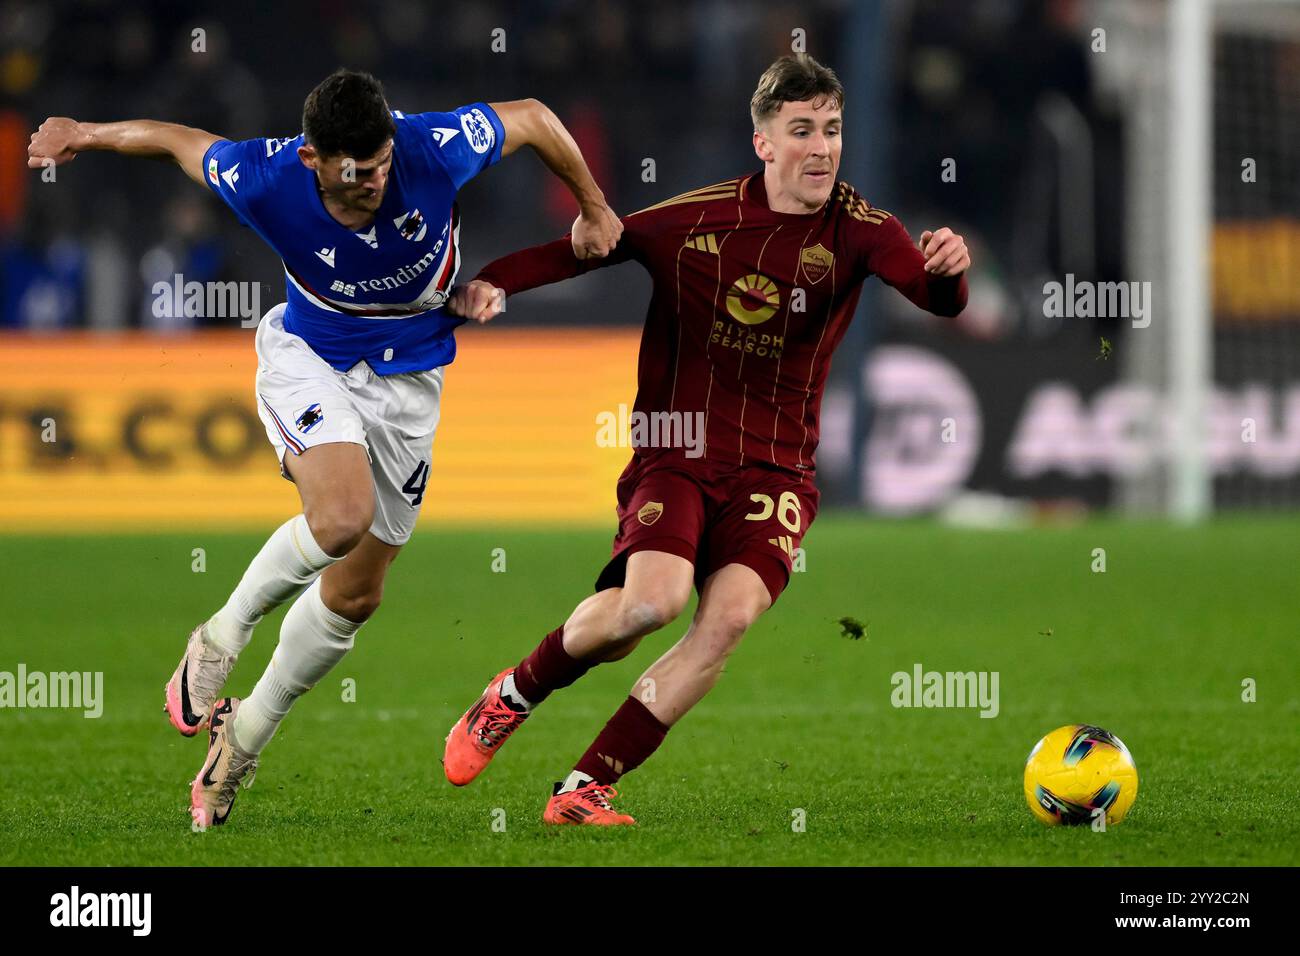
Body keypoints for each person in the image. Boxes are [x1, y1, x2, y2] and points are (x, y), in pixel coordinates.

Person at [27, 69, 621, 829]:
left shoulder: (431, 148)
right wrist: (86, 133)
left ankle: (239, 743)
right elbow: (181, 143)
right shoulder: (269, 176)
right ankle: (220, 634)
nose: (373, 184)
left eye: (379, 166)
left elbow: (537, 115)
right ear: (312, 160)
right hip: (313, 357)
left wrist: (595, 207)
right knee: (340, 515)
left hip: (410, 380)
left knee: (355, 594)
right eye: (354, 175)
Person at [442, 54, 970, 825]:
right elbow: (589, 244)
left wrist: (950, 273)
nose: (821, 148)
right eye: (802, 131)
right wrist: (495, 280)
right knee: (645, 610)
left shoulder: (863, 231)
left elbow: (935, 295)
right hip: (678, 451)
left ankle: (583, 788)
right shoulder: (697, 220)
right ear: (763, 142)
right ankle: (514, 692)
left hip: (780, 472)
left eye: (832, 129)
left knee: (724, 621)